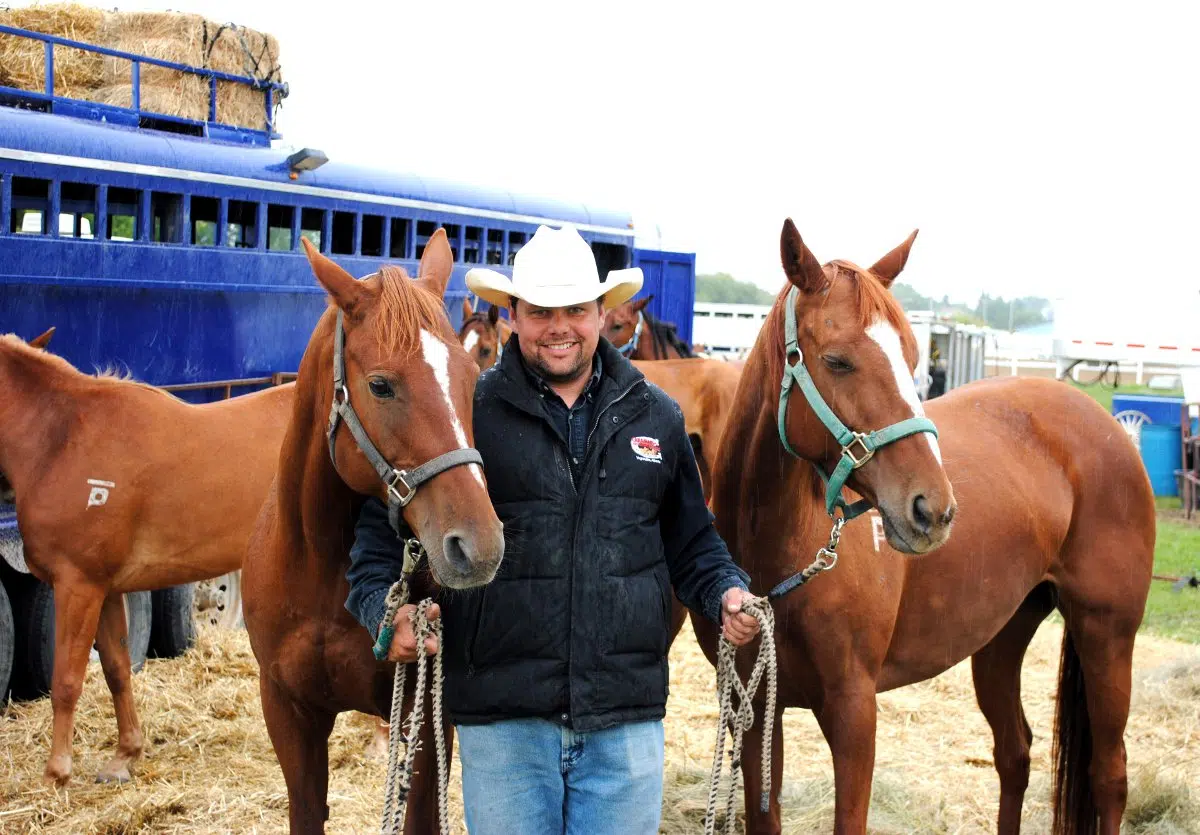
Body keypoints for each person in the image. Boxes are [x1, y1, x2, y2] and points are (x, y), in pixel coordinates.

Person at [344, 224, 759, 835]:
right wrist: (385, 613)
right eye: (540, 311)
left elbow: (694, 543)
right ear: (512, 315)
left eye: (576, 310)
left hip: (623, 723)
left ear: (602, 313)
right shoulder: (469, 413)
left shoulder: (656, 417)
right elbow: (379, 540)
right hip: (504, 728)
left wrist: (725, 590)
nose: (559, 327)